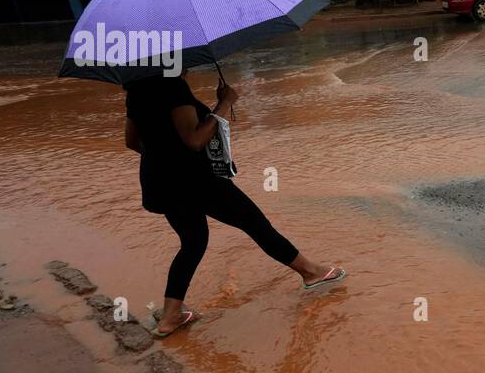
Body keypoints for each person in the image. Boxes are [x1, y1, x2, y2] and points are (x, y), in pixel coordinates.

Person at [123, 72, 344, 337]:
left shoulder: (137, 89)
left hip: (160, 182)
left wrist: (164, 155)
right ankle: (311, 272)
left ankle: (170, 317)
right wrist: (225, 103)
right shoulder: (173, 87)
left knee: (193, 242)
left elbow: (132, 142)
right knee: (255, 223)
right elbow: (194, 140)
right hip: (196, 181)